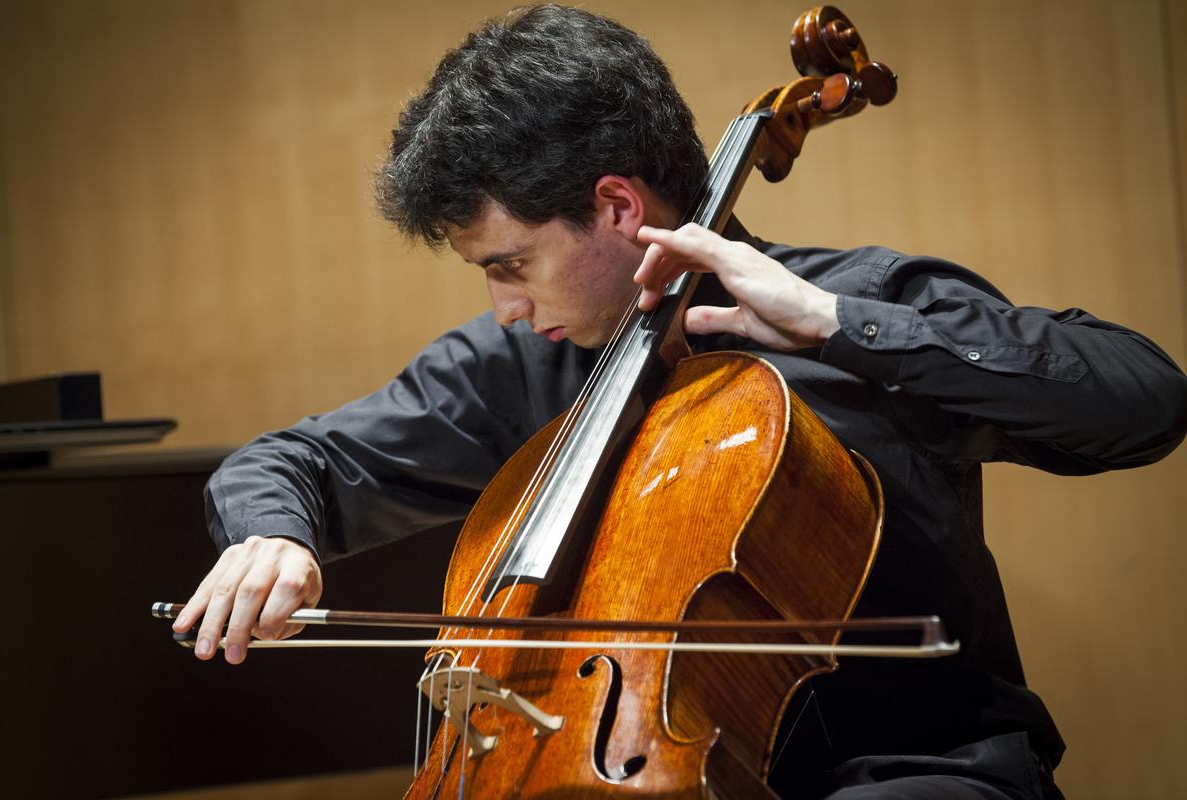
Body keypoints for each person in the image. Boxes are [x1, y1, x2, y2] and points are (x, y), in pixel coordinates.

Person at [173, 5, 1187, 799]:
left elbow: (1142, 397)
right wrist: (272, 538)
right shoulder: (514, 368)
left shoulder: (858, 302)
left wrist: (838, 323)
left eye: (512, 262)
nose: (505, 306)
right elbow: (288, 462)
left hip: (915, 771)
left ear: (616, 207)